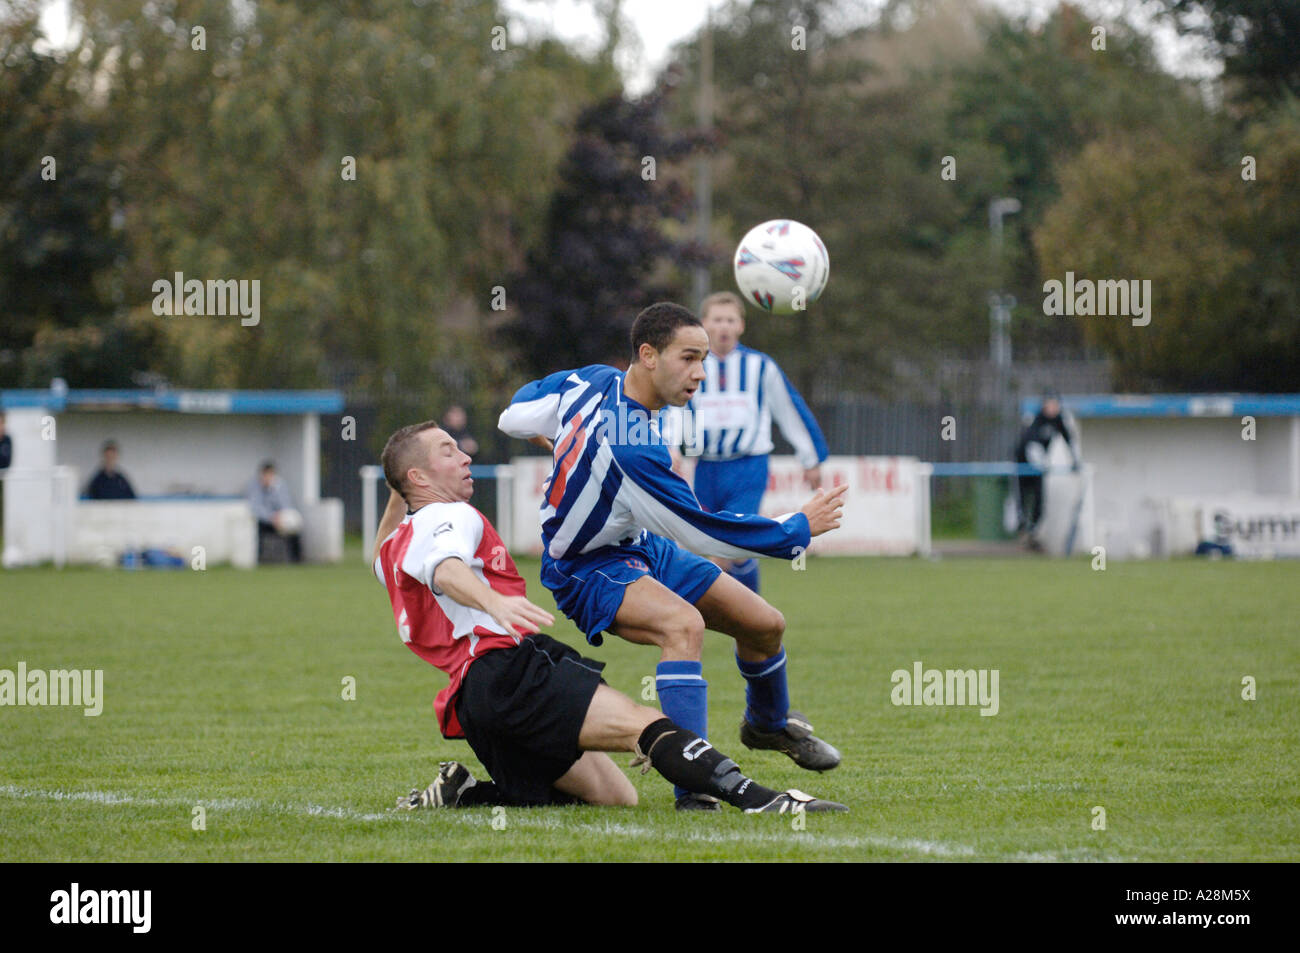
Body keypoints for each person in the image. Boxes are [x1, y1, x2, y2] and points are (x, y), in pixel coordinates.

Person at [373, 420, 846, 814]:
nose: (465, 457)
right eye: (449, 451)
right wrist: (493, 602)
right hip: (507, 673)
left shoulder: (398, 543)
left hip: (476, 702)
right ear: (419, 477)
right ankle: (765, 801)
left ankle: (465, 793)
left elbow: (386, 550)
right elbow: (448, 569)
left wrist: (400, 486)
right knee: (646, 726)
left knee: (615, 797)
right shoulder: (448, 518)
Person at [498, 302, 847, 811]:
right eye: (689, 359)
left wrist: (561, 444)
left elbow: (513, 413)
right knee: (683, 626)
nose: (701, 374)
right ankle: (696, 787)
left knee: (764, 623)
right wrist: (796, 529)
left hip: (641, 548)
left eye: (704, 360)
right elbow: (704, 533)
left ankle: (768, 728)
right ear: (648, 356)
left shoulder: (593, 381)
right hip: (587, 568)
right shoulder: (634, 451)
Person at [662, 291, 829, 596]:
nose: (723, 327)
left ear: (741, 326)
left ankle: (699, 608)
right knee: (717, 545)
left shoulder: (761, 367)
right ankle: (749, 622)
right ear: (703, 325)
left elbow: (790, 410)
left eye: (730, 320)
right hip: (706, 466)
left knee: (733, 545)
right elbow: (674, 408)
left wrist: (811, 458)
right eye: (717, 320)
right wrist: (669, 447)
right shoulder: (691, 367)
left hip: (748, 466)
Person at [1013, 393, 1080, 549]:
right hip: (1023, 466)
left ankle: (1033, 533)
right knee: (1022, 499)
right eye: (1050, 404)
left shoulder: (1058, 420)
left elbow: (1069, 440)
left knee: (1039, 501)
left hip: (1038, 468)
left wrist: (1075, 460)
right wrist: (1041, 462)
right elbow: (1029, 445)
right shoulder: (1037, 419)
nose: (1052, 408)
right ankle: (1022, 529)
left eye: (1055, 405)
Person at [247, 461, 302, 563]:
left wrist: (280, 516)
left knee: (295, 529)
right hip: (266, 521)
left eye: (270, 475)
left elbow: (287, 504)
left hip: (281, 519)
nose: (267, 478)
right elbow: (255, 508)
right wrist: (271, 518)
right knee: (257, 528)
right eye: (265, 475)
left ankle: (296, 560)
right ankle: (259, 560)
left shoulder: (281, 486)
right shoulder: (254, 487)